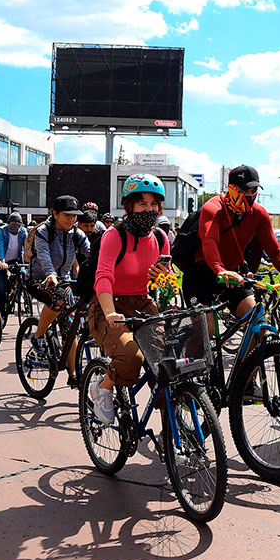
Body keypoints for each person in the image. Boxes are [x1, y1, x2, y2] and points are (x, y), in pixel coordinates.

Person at [88, 175, 173, 422]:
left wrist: (162, 279)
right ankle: (102, 387)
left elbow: (166, 278)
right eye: (142, 203)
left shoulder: (160, 238)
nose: (150, 209)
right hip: (110, 304)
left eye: (154, 204)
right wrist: (109, 312)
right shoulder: (114, 236)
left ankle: (173, 420)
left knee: (167, 360)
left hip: (143, 301)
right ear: (129, 206)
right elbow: (103, 277)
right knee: (131, 355)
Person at [181, 165, 280, 322]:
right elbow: (210, 242)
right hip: (200, 275)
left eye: (253, 190)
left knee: (259, 323)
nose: (250, 195)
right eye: (244, 191)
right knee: (205, 330)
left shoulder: (259, 215)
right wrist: (220, 270)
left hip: (233, 277)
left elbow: (274, 251)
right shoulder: (213, 208)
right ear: (232, 189)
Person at [27, 195, 91, 386]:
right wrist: (51, 274)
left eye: (74, 216)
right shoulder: (43, 232)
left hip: (64, 282)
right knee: (61, 298)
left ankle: (74, 376)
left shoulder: (76, 234)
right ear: (55, 214)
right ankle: (38, 336)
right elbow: (44, 256)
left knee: (72, 328)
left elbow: (91, 253)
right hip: (40, 280)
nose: (72, 219)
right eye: (67, 215)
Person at [0, 212, 28, 297]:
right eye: (13, 222)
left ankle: (19, 294)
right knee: (1, 286)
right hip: (2, 261)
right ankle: (0, 309)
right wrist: (2, 261)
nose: (16, 225)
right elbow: (0, 246)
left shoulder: (23, 232)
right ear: (9, 223)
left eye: (18, 223)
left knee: (24, 275)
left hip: (16, 260)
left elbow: (28, 246)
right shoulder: (2, 231)